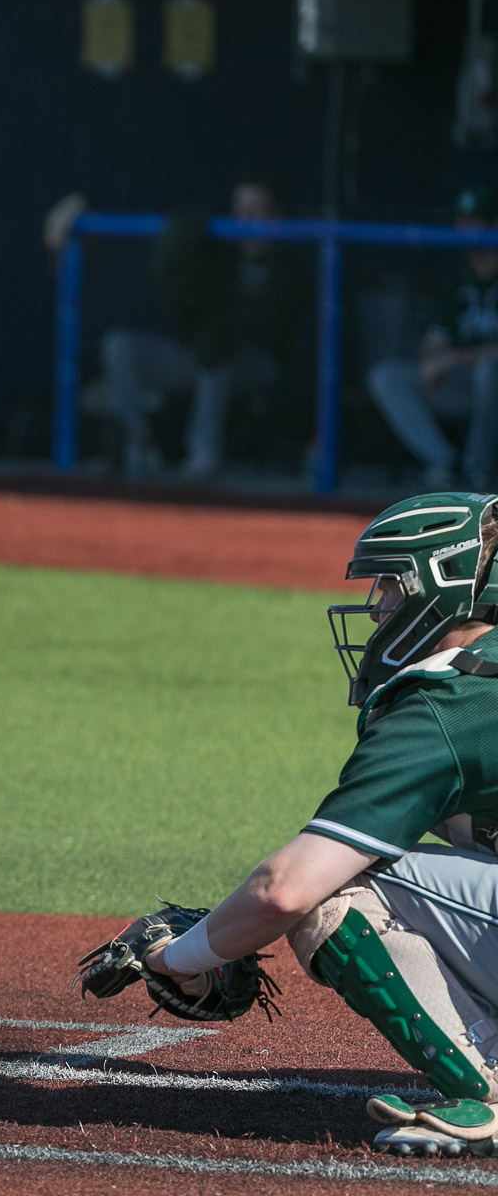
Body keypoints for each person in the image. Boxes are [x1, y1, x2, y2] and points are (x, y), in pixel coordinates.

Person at [117, 491, 498, 1156]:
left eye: (392, 583)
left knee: (333, 893)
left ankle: (488, 1091)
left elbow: (283, 891)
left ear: (444, 586)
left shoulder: (446, 705)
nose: (379, 605)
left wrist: (180, 958)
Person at [95, 180, 310, 478]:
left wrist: (220, 334)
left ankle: (204, 453)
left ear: (275, 216)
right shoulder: (218, 249)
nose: (244, 219)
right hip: (197, 355)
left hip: (257, 362)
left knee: (216, 351)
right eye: (239, 209)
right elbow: (180, 293)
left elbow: (271, 330)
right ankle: (138, 441)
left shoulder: (291, 264)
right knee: (119, 344)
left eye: (255, 210)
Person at [368, 187, 498, 491]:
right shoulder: (457, 275)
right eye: (462, 221)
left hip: (492, 388)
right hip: (461, 386)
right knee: (386, 376)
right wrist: (434, 356)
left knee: (489, 371)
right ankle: (443, 462)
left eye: (477, 221)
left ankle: (477, 469)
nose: (467, 230)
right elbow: (436, 336)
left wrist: (452, 358)